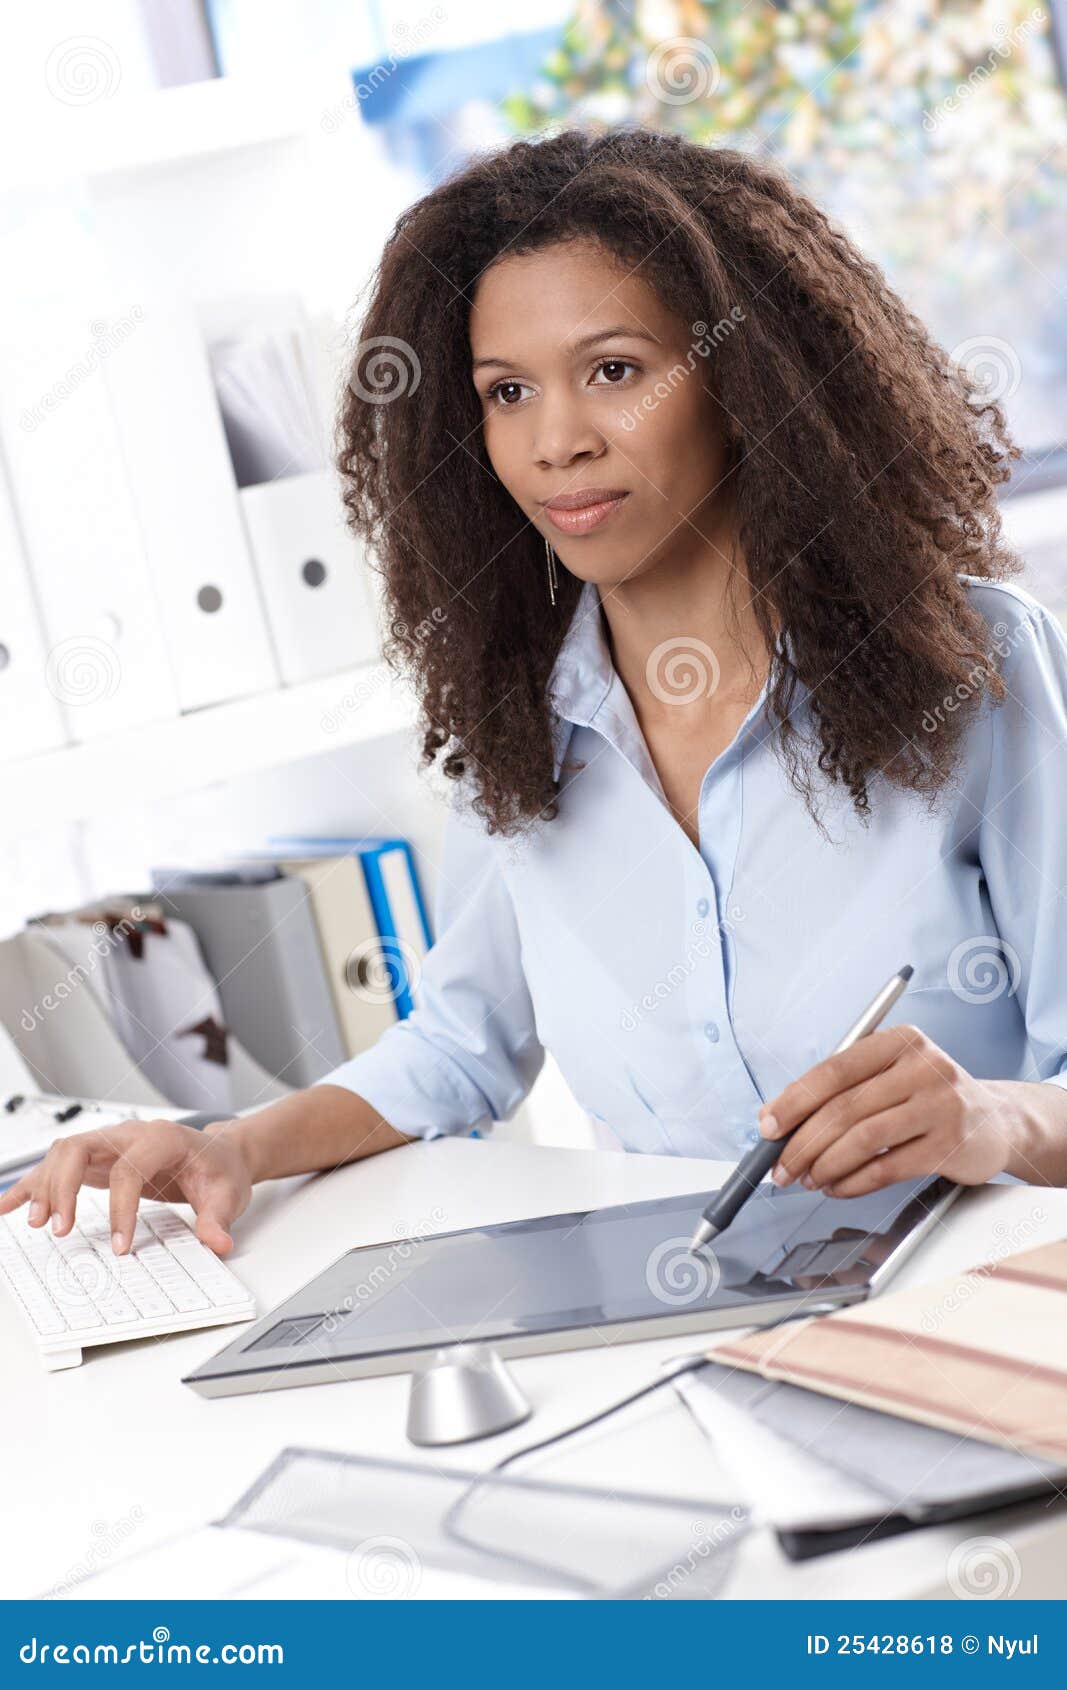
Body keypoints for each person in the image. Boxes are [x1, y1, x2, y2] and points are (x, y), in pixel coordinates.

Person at [5, 127, 1067, 1261]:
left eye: (613, 370)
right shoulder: (511, 719)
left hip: (969, 1313)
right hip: (677, 1324)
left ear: (744, 378)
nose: (554, 440)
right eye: (507, 391)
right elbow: (460, 1045)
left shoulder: (971, 665)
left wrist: (991, 1117)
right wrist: (234, 1147)